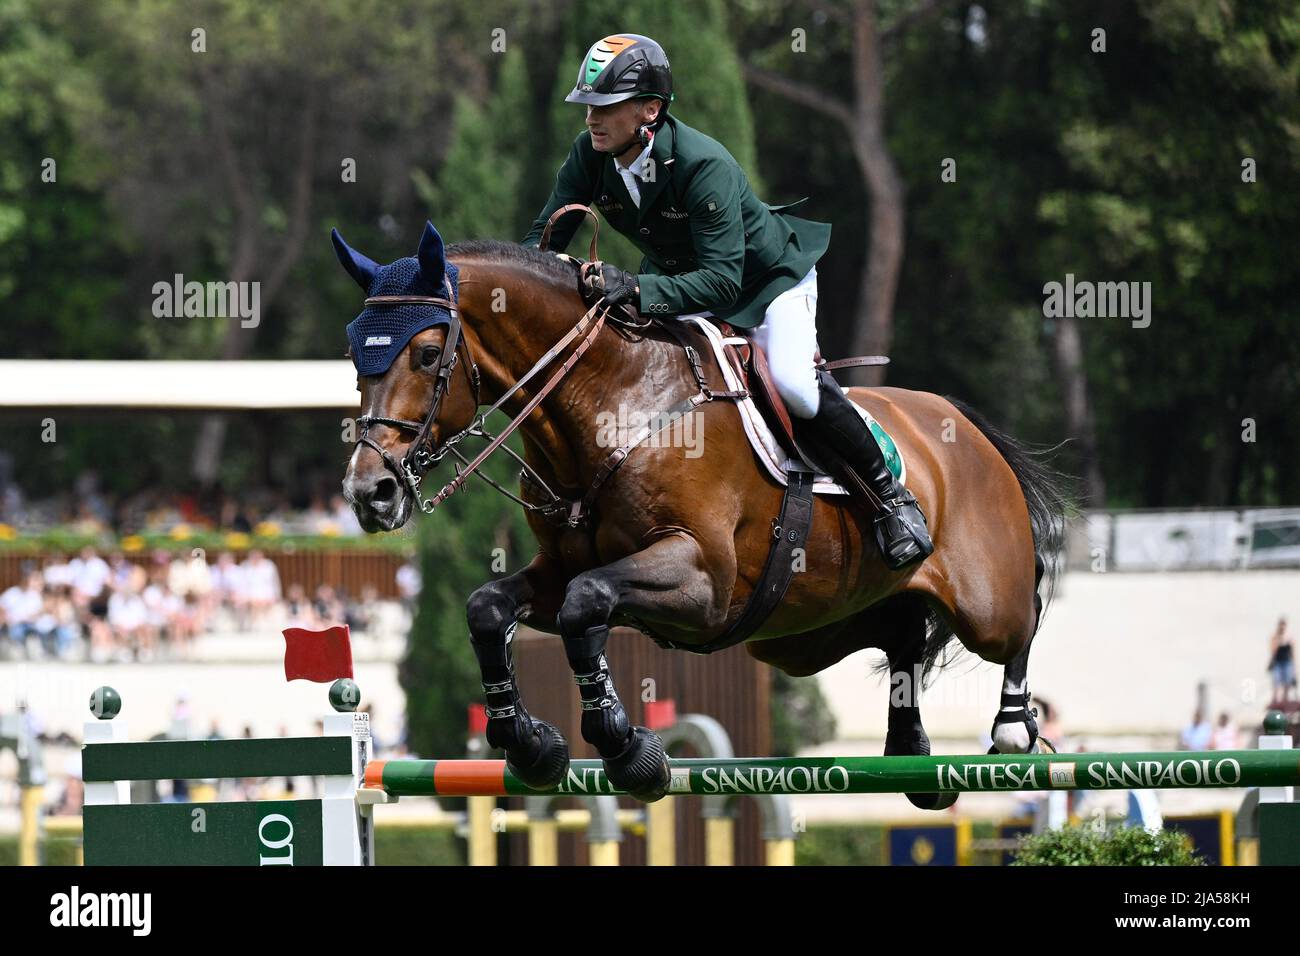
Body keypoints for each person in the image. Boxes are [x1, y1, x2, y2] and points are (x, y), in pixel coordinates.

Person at [522, 34, 932, 570]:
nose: (591, 120)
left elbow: (720, 282)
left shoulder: (701, 164)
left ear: (650, 109)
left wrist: (639, 290)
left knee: (792, 384)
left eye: (605, 107)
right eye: (588, 108)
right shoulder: (590, 155)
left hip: (765, 283)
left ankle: (889, 497)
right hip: (678, 283)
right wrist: (524, 284)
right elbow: (545, 239)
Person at [1268, 616, 1297, 705]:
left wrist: (1294, 668)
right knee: (1276, 681)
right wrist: (1279, 641)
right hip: (1278, 663)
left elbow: (1293, 652)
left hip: (1287, 662)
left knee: (1287, 681)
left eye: (1283, 625)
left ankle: (1285, 699)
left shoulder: (1289, 637)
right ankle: (1275, 700)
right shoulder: (1275, 636)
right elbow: (1272, 651)